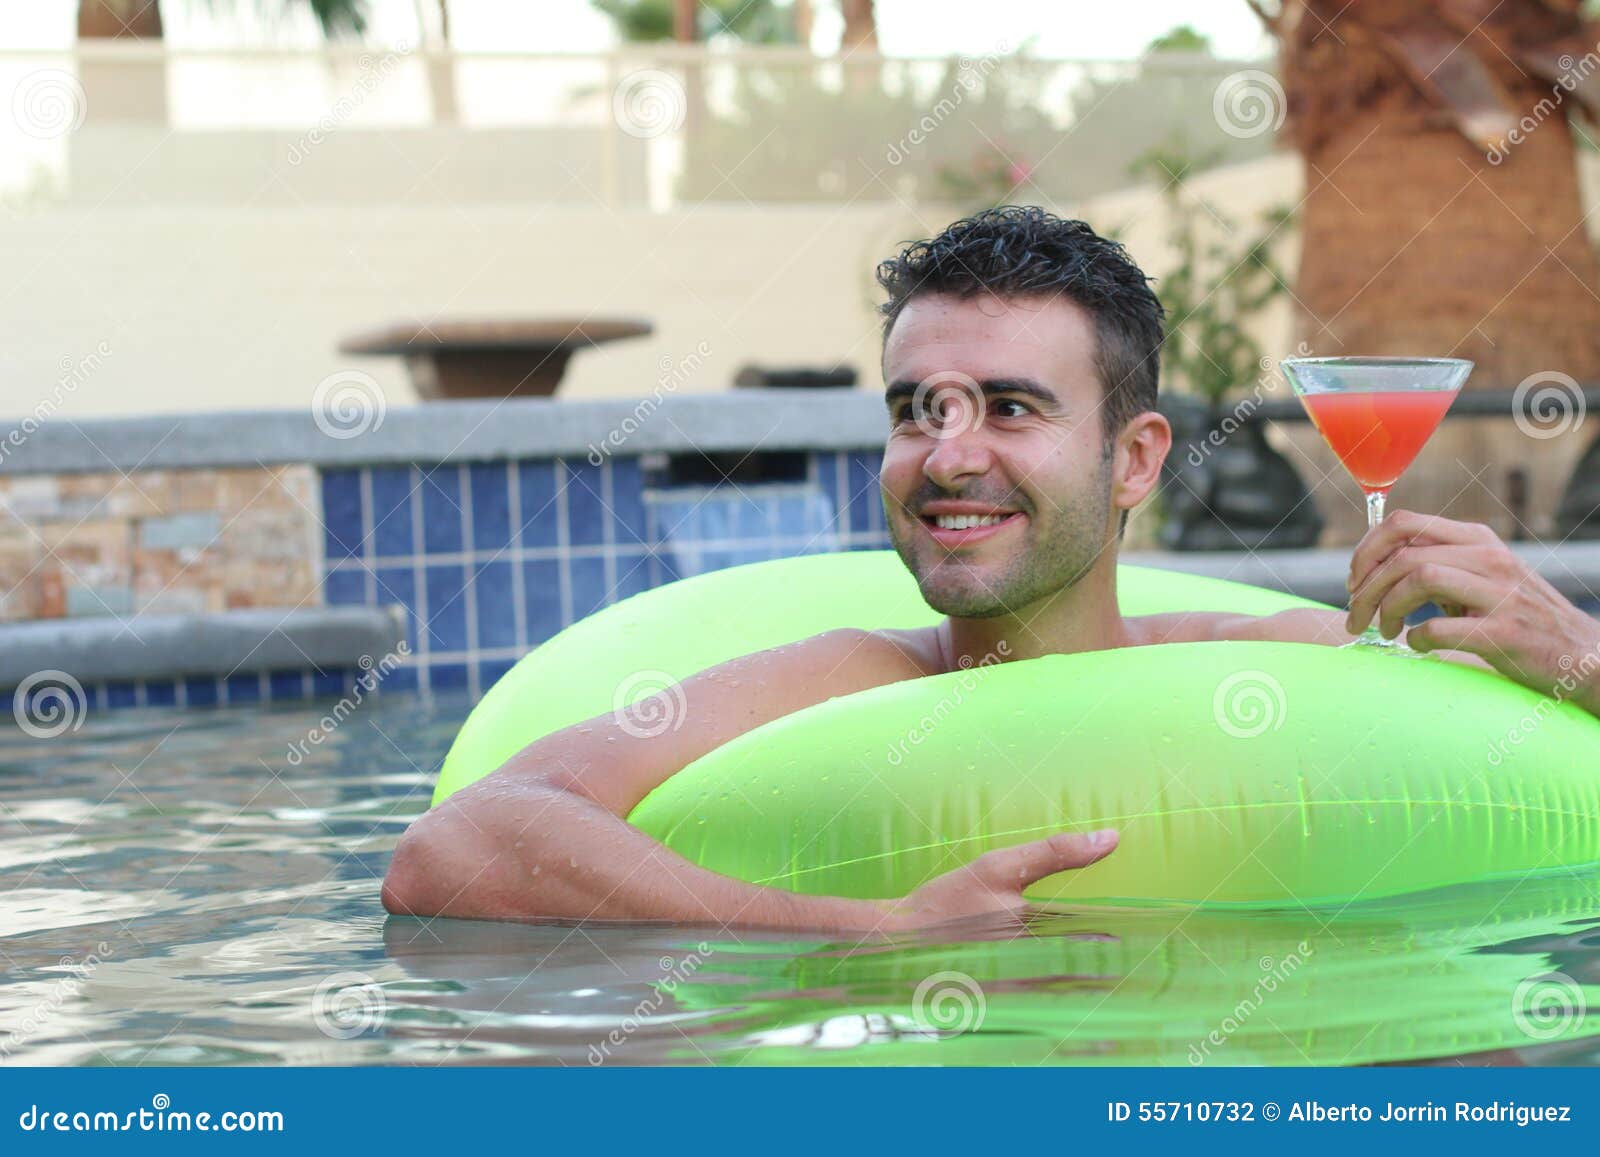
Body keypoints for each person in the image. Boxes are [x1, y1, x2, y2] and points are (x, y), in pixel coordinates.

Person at [382, 206, 1600, 932]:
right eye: (918, 410)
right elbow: (453, 845)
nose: (947, 455)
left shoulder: (1272, 664)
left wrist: (1582, 654)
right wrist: (864, 927)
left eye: (1010, 408)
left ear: (1134, 459)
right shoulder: (841, 678)